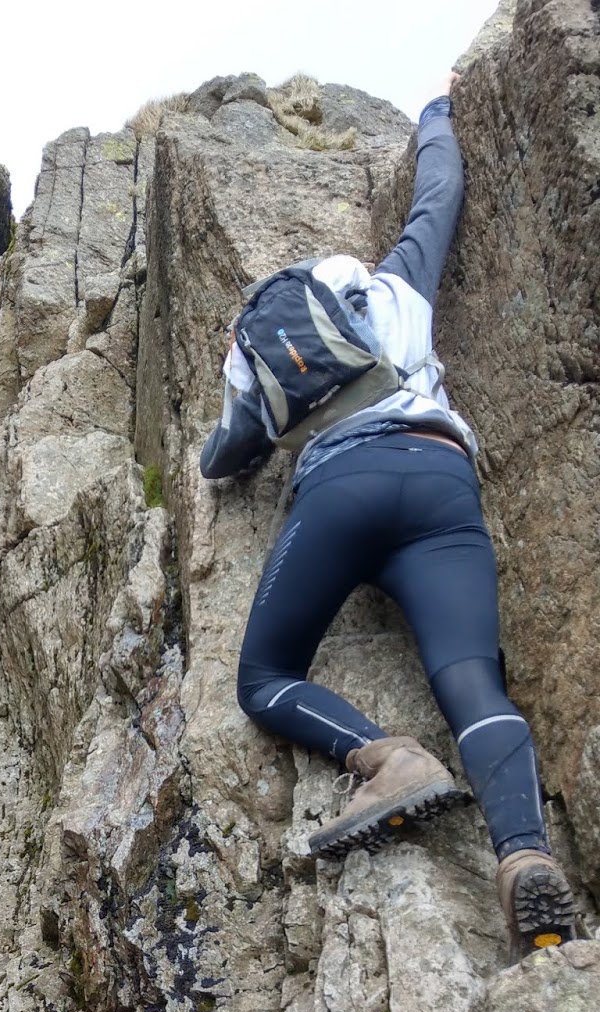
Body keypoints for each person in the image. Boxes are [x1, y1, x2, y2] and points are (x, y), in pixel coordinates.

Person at [199, 74, 577, 958]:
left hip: (342, 488)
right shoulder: (395, 289)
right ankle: (521, 854)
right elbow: (439, 193)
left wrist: (237, 393)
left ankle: (384, 757)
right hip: (442, 479)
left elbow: (225, 459)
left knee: (265, 679)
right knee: (472, 679)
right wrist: (440, 112)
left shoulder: (259, 350)